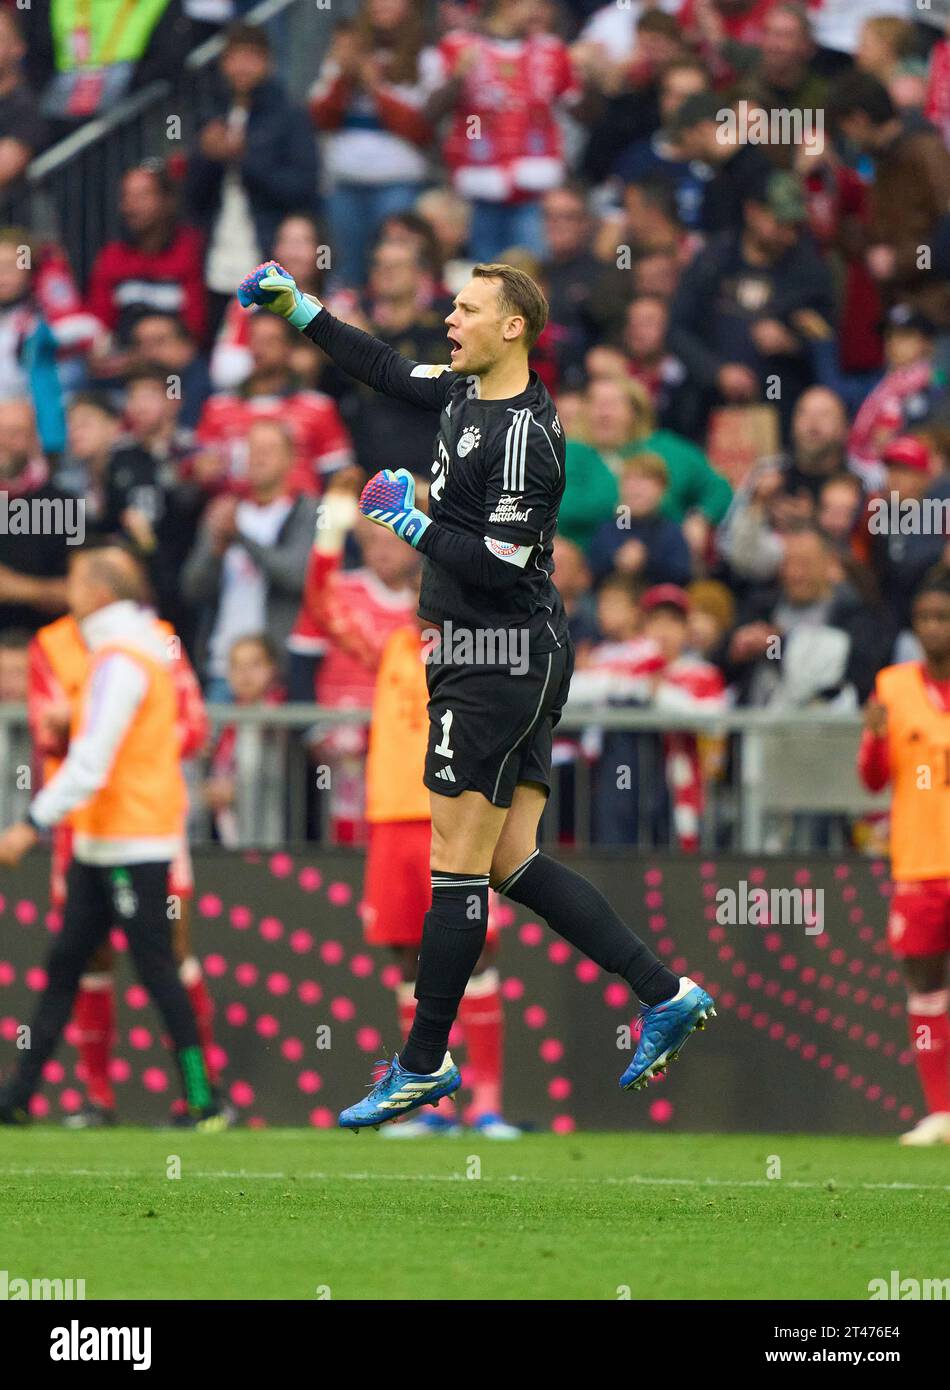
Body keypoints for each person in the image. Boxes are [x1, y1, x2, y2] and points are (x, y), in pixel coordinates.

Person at [238, 254, 716, 1130]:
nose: (448, 321)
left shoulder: (528, 435)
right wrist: (302, 307)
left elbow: (498, 562)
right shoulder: (462, 392)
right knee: (510, 864)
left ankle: (422, 1064)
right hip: (498, 652)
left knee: (454, 867)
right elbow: (383, 368)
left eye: (465, 310)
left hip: (494, 653)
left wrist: (409, 521)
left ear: (514, 328)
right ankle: (666, 992)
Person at [0, 547, 226, 1128]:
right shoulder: (136, 648)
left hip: (131, 840)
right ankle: (18, 1097)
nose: (66, 592)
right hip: (105, 840)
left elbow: (92, 761)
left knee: (154, 970)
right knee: (67, 967)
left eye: (75, 582)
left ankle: (205, 1099)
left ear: (101, 593)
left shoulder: (121, 659)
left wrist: (30, 824)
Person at [363, 618, 520, 1136]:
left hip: (455, 812)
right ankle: (428, 1108)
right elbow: (323, 610)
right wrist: (330, 537)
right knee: (409, 955)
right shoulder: (387, 644)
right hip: (392, 818)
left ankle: (488, 1106)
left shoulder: (480, 644)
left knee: (477, 950)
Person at [857, 568, 950, 1144]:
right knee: (925, 988)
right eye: (925, 620)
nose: (934, 629)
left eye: (943, 618)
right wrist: (872, 738)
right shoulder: (892, 686)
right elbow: (871, 781)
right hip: (917, 863)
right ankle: (940, 1111)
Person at [310, 0, 436, 290]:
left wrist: (375, 88)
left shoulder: (426, 57)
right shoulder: (344, 52)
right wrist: (344, 75)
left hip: (398, 185)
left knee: (395, 269)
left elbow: (419, 128)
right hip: (345, 184)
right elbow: (319, 117)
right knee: (346, 272)